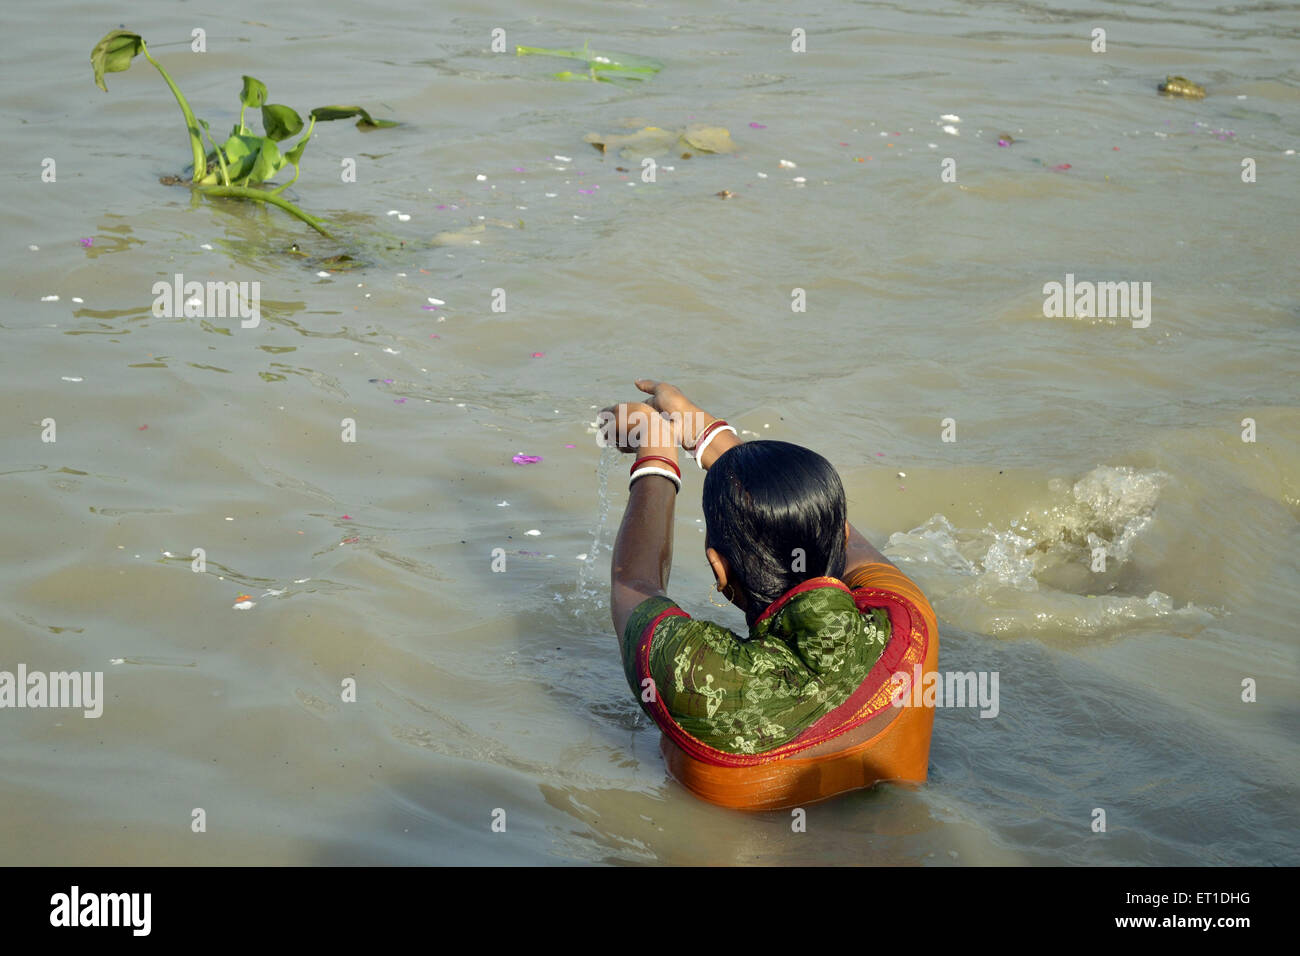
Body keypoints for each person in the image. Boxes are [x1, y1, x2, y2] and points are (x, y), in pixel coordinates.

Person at [602, 379, 940, 810]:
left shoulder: (696, 676)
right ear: (844, 536)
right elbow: (830, 528)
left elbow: (633, 581)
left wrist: (656, 448)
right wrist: (701, 429)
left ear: (718, 569)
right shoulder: (908, 622)